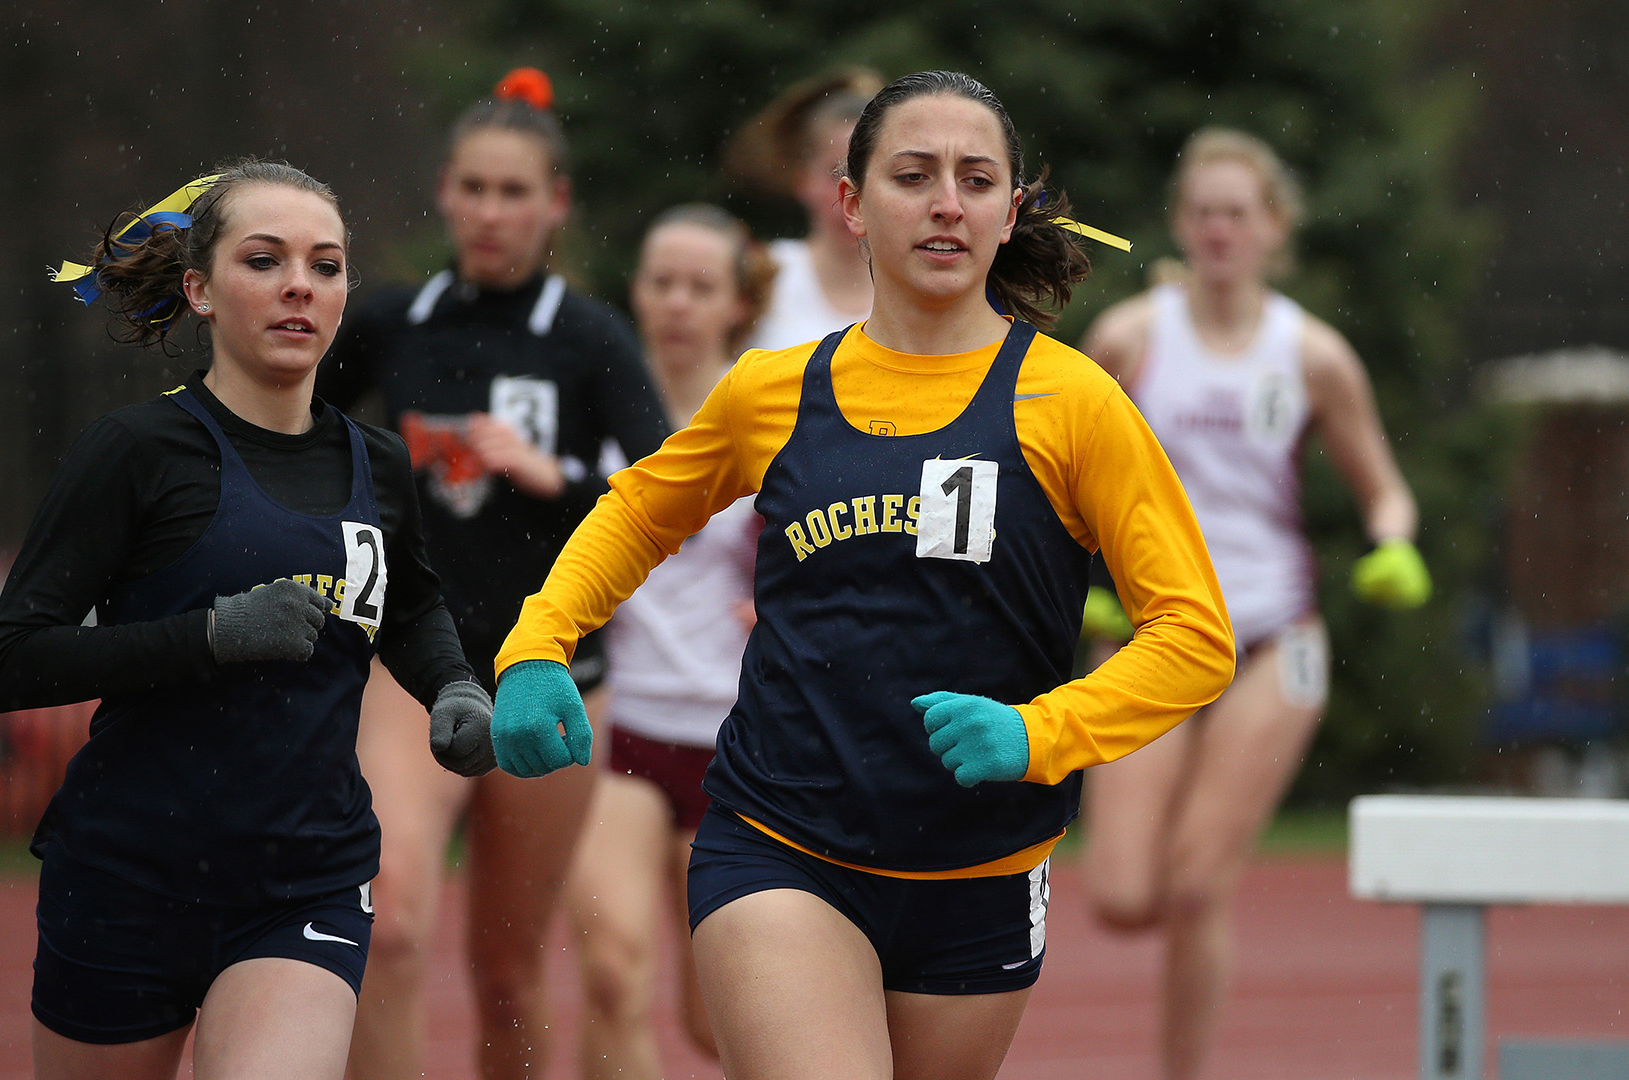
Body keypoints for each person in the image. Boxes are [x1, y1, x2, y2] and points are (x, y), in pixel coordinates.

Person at [489, 70, 1238, 1080]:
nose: (944, 203)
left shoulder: (1075, 404)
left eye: (976, 180)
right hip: (780, 840)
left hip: (981, 872)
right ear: (850, 203)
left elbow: (1196, 637)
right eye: (912, 175)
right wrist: (538, 645)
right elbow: (633, 512)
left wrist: (1041, 732)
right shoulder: (772, 389)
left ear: (1009, 211)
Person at [0, 160, 492, 1080]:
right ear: (199, 291)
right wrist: (209, 637)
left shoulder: (377, 462)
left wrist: (454, 685)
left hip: (308, 877)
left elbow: (408, 605)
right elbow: (10, 663)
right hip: (129, 879)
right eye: (265, 260)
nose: (301, 284)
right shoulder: (135, 452)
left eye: (326, 266)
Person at [314, 68, 670, 1080]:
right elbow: (289, 426)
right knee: (387, 926)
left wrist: (548, 472)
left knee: (509, 972)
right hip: (411, 662)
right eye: (473, 187)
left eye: (514, 191)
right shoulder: (392, 322)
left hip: (549, 670)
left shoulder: (590, 338)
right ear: (445, 190)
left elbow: (660, 492)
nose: (490, 211)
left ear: (555, 201)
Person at [1075, 127, 1432, 1080]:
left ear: (1275, 228)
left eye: (1239, 213)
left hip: (1273, 639)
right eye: (1204, 212)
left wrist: (1392, 544)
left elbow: (1384, 488)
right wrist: (1086, 574)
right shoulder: (1130, 339)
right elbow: (1058, 466)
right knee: (1117, 896)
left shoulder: (1311, 354)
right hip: (1153, 628)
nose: (1220, 230)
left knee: (1196, 888)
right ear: (1180, 224)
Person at [564, 204, 775, 1080]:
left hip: (738, 743)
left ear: (736, 304)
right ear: (636, 293)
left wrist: (785, 605)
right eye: (662, 282)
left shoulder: (769, 410)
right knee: (612, 974)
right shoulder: (594, 406)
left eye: (701, 286)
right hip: (617, 724)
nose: (678, 302)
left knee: (718, 1019)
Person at [723, 67, 880, 351]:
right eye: (836, 174)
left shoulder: (920, 282)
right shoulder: (765, 276)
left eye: (865, 174)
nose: (851, 195)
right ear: (801, 179)